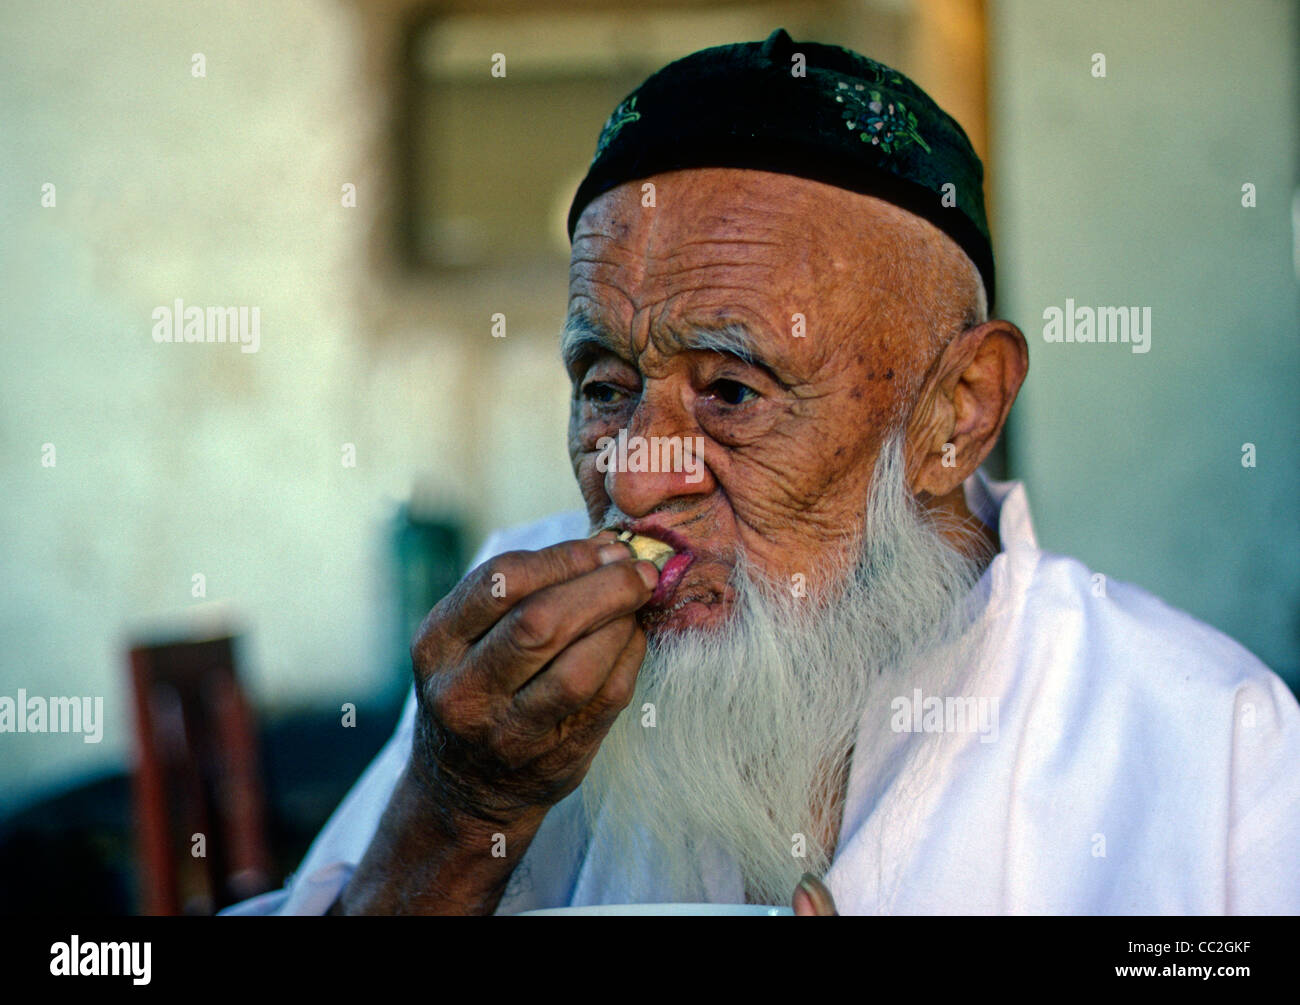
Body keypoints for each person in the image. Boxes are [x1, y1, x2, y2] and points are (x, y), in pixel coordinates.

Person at [226, 29, 1300, 916]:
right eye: (603, 386)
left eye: (731, 393)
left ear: (955, 413)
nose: (636, 483)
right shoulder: (518, 657)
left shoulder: (1209, 746)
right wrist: (457, 815)